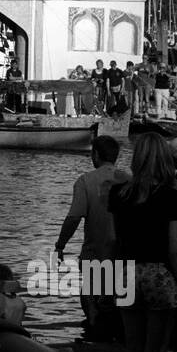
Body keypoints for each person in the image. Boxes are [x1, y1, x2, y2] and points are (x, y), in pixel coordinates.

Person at [108, 132, 177, 352]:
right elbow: (175, 249)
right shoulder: (171, 197)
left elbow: (113, 242)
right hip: (159, 276)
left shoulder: (118, 194)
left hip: (127, 275)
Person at [55, 135, 130, 341]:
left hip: (95, 254)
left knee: (92, 304)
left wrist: (60, 245)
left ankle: (94, 339)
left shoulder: (85, 181)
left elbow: (74, 217)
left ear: (95, 155)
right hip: (124, 256)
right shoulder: (129, 180)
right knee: (121, 305)